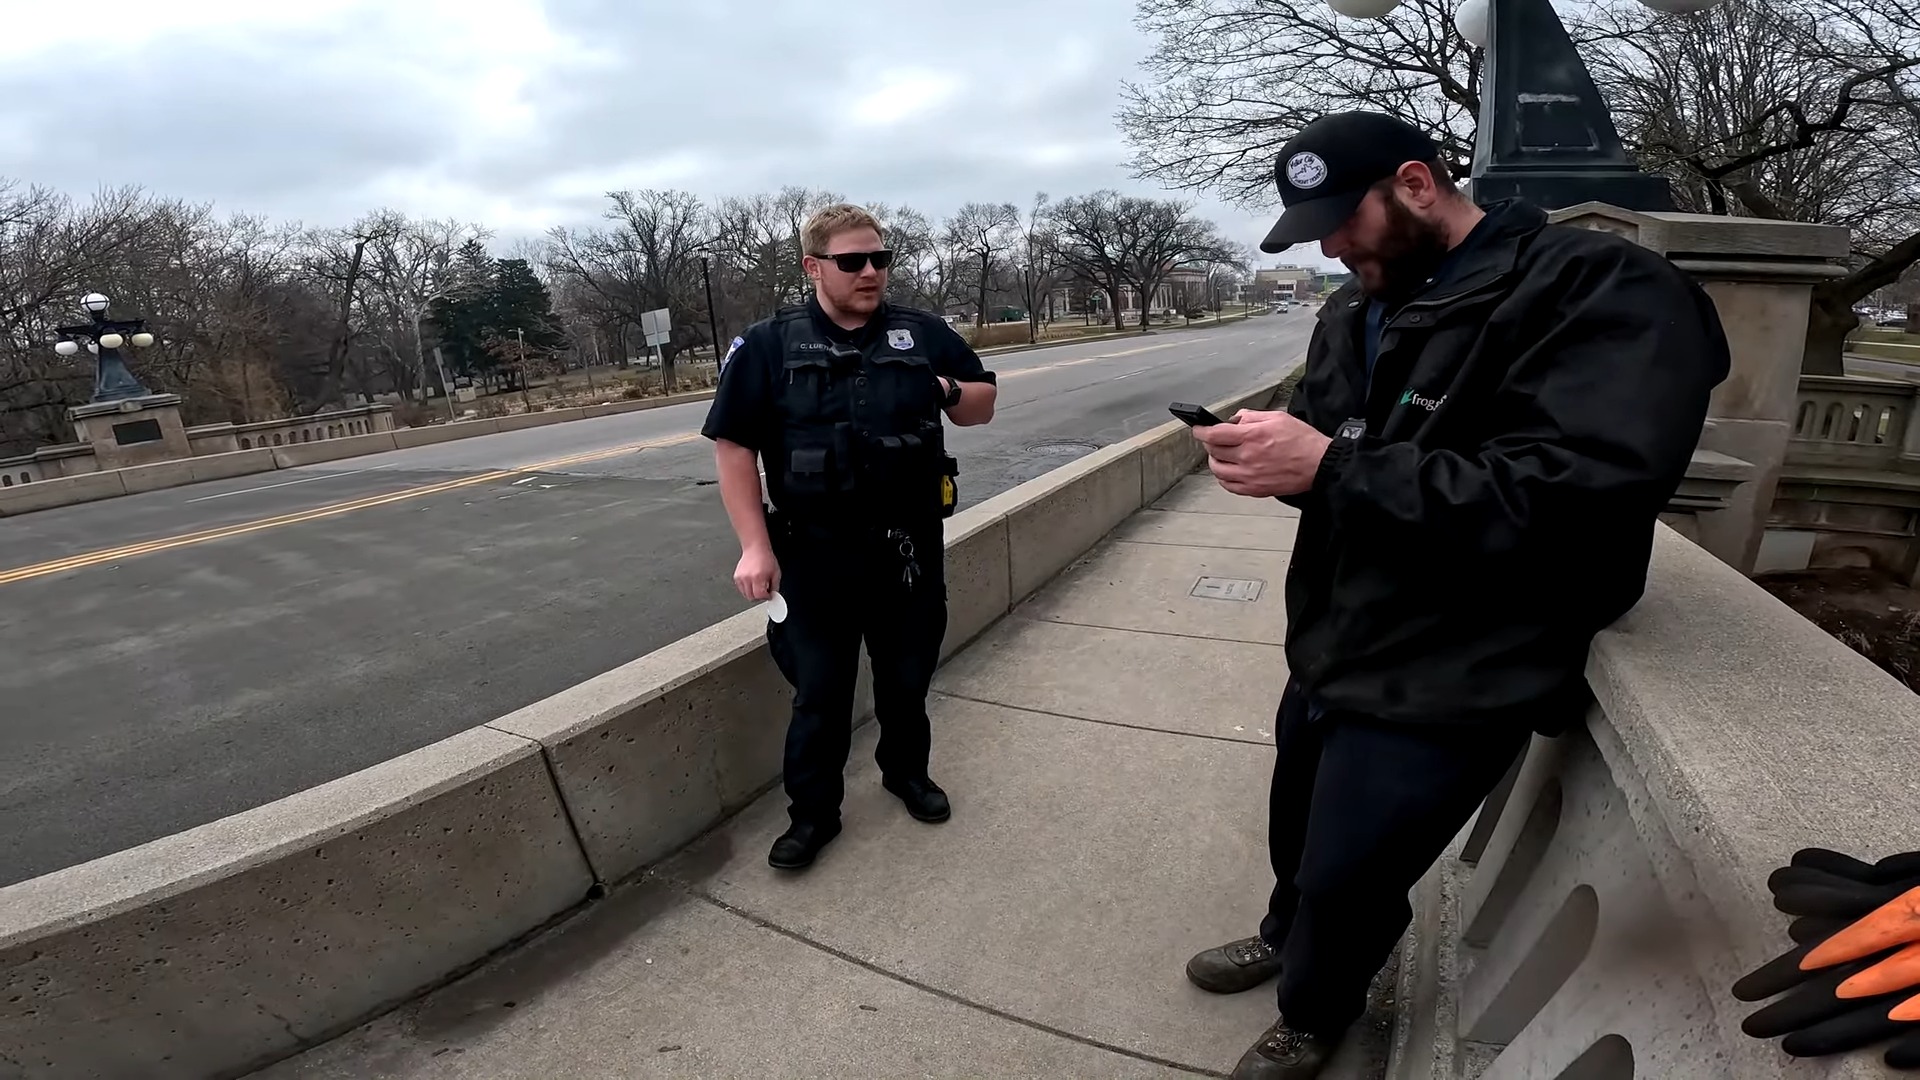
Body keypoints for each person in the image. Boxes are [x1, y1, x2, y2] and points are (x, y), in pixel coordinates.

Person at [1180, 111, 1731, 1079]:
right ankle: (1281, 932)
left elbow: (1577, 498)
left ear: (1419, 184)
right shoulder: (1355, 307)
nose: (1331, 246)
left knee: (1353, 873)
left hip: (1459, 666)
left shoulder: (1599, 289)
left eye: (1344, 221)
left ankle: (1315, 1012)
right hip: (1334, 639)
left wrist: (1332, 468)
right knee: (1298, 830)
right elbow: (1328, 434)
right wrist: (1269, 448)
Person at [700, 203, 997, 871]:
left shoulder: (922, 333)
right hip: (814, 551)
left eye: (880, 259)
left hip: (907, 546)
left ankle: (905, 773)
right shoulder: (768, 345)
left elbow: (982, 403)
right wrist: (755, 545)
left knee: (906, 676)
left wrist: (944, 386)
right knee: (820, 692)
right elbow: (733, 448)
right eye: (852, 261)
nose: (871, 272)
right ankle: (813, 815)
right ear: (813, 267)